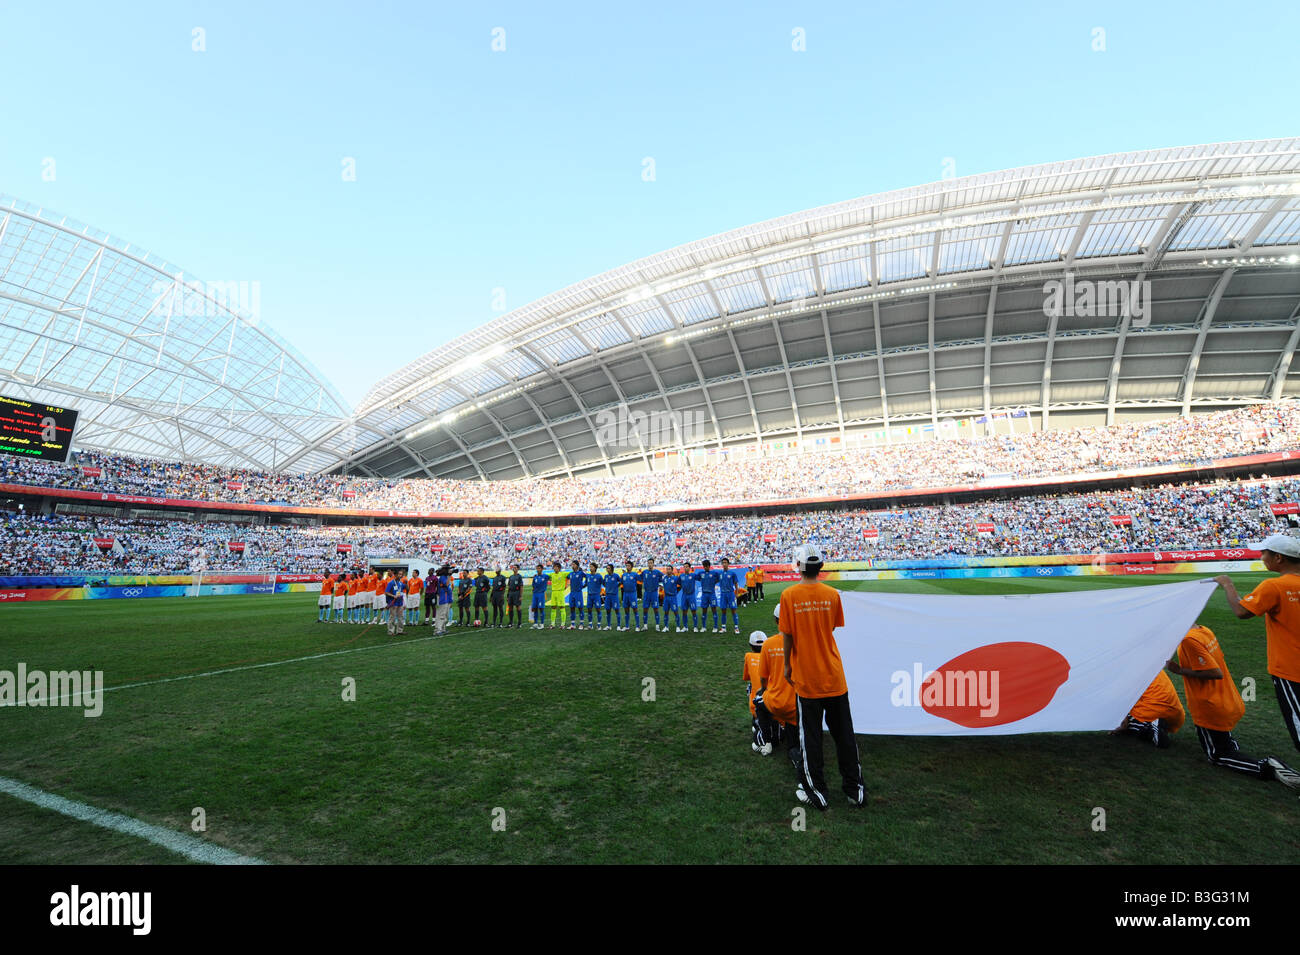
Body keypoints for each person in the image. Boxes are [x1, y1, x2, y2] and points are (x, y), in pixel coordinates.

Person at [781, 542, 865, 810]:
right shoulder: (832, 594)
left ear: (798, 565)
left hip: (807, 679)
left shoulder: (789, 595)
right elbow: (830, 628)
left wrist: (787, 665)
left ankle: (817, 791)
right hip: (834, 675)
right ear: (820, 567)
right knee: (845, 736)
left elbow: (788, 635)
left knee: (812, 739)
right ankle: (855, 789)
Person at [1166, 623, 1300, 788]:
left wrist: (1180, 671)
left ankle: (1266, 767)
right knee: (1224, 744)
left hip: (1209, 706)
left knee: (1216, 755)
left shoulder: (1189, 640)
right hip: (1224, 699)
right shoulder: (1203, 630)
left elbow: (1215, 672)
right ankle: (1231, 746)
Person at [1215, 532, 1300, 752]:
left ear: (1279, 558)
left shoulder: (1274, 586)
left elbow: (1242, 611)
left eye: (1264, 553)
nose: (1261, 557)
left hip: (1292, 670)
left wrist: (1227, 585)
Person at [755, 605, 797, 759]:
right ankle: (794, 751)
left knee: (757, 701)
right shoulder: (800, 643)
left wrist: (764, 689)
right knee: (794, 739)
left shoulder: (768, 644)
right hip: (796, 705)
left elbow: (763, 677)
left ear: (775, 620)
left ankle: (766, 739)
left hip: (774, 702)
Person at [1115, 670, 1185, 748]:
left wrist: (1121, 723)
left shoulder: (1126, 672)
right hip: (1176, 714)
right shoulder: (1154, 664)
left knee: (1130, 725)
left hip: (1155, 710)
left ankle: (1150, 729)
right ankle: (1157, 725)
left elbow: (1124, 702)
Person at [743, 631, 766, 754]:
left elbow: (746, 676)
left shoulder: (748, 656)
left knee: (750, 687)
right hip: (771, 695)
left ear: (750, 646)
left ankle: (756, 722)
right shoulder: (769, 656)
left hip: (757, 701)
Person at [718, 557, 740, 634]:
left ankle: (736, 627)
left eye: (725, 562)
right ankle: (723, 627)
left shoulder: (732, 573)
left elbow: (736, 584)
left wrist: (736, 593)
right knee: (723, 610)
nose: (724, 564)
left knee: (733, 610)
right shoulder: (720, 574)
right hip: (723, 594)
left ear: (728, 564)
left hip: (730, 594)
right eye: (723, 563)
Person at [641, 558, 664, 632]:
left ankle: (657, 626)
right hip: (647, 593)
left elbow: (663, 577)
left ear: (653, 564)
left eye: (651, 563)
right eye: (649, 563)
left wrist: (661, 584)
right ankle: (645, 626)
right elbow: (639, 578)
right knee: (645, 609)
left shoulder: (657, 572)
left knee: (656, 609)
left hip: (654, 593)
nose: (650, 564)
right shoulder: (644, 572)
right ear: (647, 564)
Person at [546, 560, 568, 629]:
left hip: (560, 592)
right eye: (554, 567)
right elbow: (544, 576)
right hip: (553, 592)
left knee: (562, 607)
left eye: (556, 567)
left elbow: (572, 574)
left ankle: (563, 624)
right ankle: (552, 624)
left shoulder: (563, 574)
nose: (554, 568)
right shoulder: (551, 575)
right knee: (553, 608)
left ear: (559, 568)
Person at [699, 559, 720, 632]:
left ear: (709, 566)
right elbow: (698, 578)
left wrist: (714, 582)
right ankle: (703, 627)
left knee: (714, 610)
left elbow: (718, 579)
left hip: (712, 594)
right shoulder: (701, 573)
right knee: (704, 610)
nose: (705, 568)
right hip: (704, 594)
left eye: (706, 566)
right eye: (704, 566)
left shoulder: (714, 573)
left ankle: (715, 627)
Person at [678, 562, 698, 632]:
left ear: (689, 568)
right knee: (684, 611)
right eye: (684, 567)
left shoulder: (693, 575)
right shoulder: (681, 576)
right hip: (684, 595)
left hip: (691, 595)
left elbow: (700, 578)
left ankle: (695, 627)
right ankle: (685, 627)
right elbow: (679, 584)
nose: (686, 568)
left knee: (693, 611)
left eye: (687, 567)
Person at [385, 570, 406, 635]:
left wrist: (406, 583)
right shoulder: (391, 583)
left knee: (401, 617)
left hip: (400, 602)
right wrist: (393, 596)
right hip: (393, 602)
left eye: (401, 574)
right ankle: (391, 631)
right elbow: (386, 592)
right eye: (399, 574)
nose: (400, 576)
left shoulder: (400, 583)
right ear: (395, 575)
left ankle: (400, 630)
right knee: (392, 617)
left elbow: (406, 589)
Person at [567, 559, 586, 630]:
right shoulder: (571, 574)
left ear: (577, 566)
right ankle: (573, 624)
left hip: (578, 593)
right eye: (572, 564)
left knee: (580, 608)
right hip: (572, 593)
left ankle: (581, 624)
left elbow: (587, 577)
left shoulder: (581, 573)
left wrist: (585, 585)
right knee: (572, 608)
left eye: (574, 564)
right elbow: (566, 577)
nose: (572, 566)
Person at [530, 564, 549, 629]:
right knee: (535, 608)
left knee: (541, 609)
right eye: (537, 568)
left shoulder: (545, 576)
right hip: (535, 594)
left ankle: (542, 624)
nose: (538, 570)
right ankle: (535, 623)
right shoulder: (535, 577)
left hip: (541, 594)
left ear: (542, 569)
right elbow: (533, 585)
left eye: (539, 568)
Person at [584, 561, 603, 630]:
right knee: (589, 609)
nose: (590, 568)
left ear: (595, 568)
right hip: (589, 595)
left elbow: (603, 583)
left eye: (591, 567)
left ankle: (599, 625)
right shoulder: (588, 576)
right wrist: (581, 587)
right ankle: (590, 625)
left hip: (596, 595)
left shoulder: (599, 576)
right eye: (590, 567)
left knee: (598, 609)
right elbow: (586, 584)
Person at [601, 563, 620, 631]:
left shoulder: (616, 576)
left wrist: (616, 587)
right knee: (608, 610)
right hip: (608, 596)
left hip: (614, 595)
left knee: (616, 610)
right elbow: (603, 583)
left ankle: (618, 625)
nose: (607, 569)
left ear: (612, 569)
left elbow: (620, 582)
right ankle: (609, 625)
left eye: (608, 568)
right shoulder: (606, 576)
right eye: (607, 568)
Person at [506, 564, 524, 628]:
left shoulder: (519, 577)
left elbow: (521, 586)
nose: (514, 569)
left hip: (517, 593)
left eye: (515, 568)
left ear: (518, 569)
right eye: (513, 568)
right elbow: (509, 586)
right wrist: (508, 595)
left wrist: (521, 596)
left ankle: (519, 623)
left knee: (518, 607)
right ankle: (511, 622)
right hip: (511, 593)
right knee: (510, 607)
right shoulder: (511, 577)